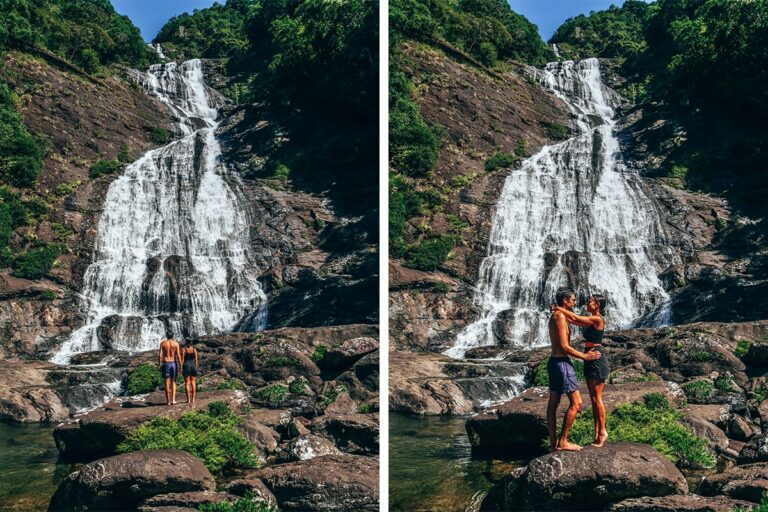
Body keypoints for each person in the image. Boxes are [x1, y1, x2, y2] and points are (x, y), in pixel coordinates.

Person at [547, 288, 601, 452]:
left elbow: (577, 320)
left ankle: (553, 444)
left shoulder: (557, 315)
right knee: (576, 403)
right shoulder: (560, 317)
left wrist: (558, 308)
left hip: (553, 362)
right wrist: (584, 357)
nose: (575, 302)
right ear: (565, 300)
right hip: (562, 363)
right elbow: (564, 346)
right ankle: (562, 441)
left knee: (553, 405)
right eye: (572, 300)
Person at [158, 331, 181, 406]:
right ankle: (173, 400)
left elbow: (160, 355)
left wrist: (159, 364)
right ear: (173, 336)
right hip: (173, 363)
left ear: (166, 335)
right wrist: (180, 365)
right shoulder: (176, 343)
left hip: (166, 363)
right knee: (173, 382)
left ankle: (168, 401)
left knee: (167, 382)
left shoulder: (163, 343)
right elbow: (178, 355)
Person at [181, 338, 199, 404]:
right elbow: (196, 360)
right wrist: (196, 367)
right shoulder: (194, 350)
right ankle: (193, 399)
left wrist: (180, 367)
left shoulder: (184, 350)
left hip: (186, 365)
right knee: (193, 383)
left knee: (187, 383)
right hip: (193, 365)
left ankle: (188, 400)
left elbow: (182, 360)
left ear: (186, 342)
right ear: (191, 343)